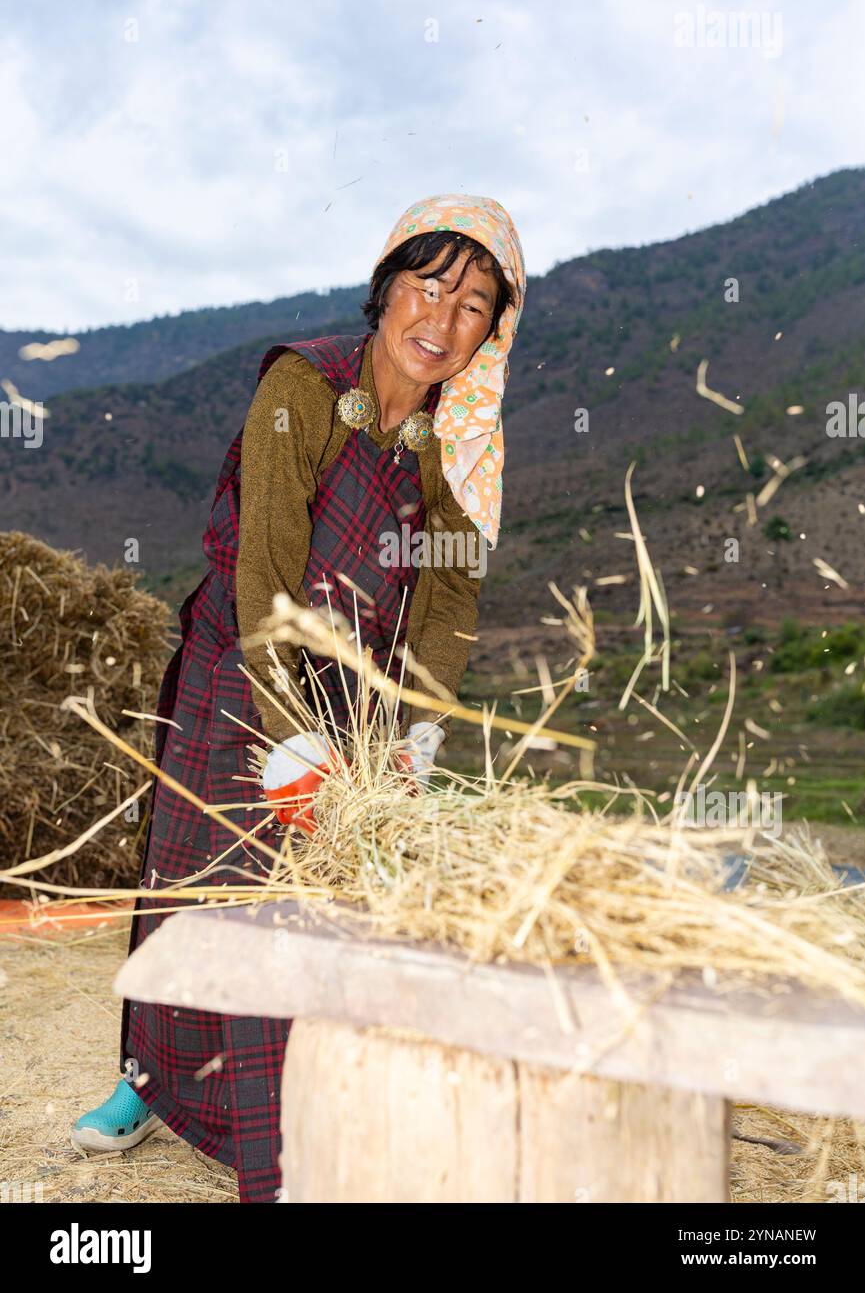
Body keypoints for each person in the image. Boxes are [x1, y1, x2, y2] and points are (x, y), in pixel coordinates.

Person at [70, 193, 527, 1202]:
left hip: (360, 698)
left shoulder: (461, 439)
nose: (441, 323)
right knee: (202, 886)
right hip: (245, 667)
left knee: (316, 909)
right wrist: (287, 737)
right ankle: (145, 1081)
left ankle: (305, 1112)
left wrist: (416, 730)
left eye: (473, 306)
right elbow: (268, 565)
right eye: (427, 285)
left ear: (491, 332)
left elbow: (450, 587)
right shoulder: (303, 386)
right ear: (385, 287)